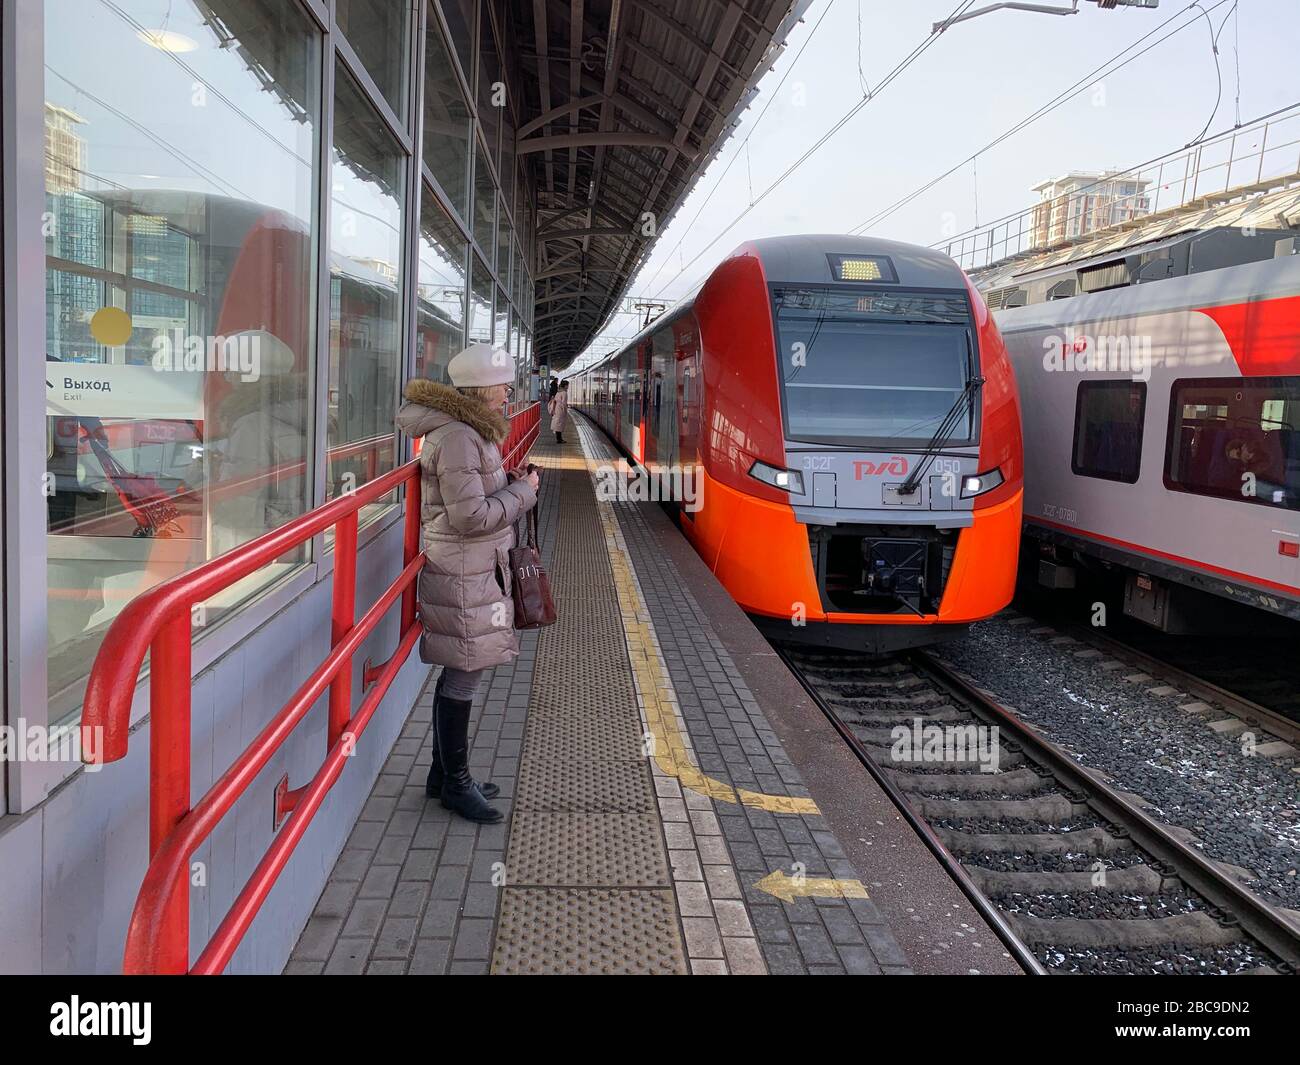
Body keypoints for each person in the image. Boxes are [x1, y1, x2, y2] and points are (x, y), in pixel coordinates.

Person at [395, 343, 539, 823]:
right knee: (465, 669)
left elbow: (475, 495)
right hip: (462, 567)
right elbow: (471, 516)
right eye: (502, 385)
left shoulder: (468, 433)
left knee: (463, 666)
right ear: (480, 390)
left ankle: (445, 776)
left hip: (473, 566)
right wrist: (525, 492)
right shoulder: (458, 437)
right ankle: (454, 784)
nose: (508, 393)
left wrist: (509, 480)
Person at [548, 379, 570, 445]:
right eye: (567, 385)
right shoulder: (564, 393)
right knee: (560, 424)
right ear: (565, 386)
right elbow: (564, 403)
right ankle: (559, 439)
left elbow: (555, 400)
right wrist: (565, 411)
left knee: (557, 423)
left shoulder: (558, 392)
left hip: (556, 408)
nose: (568, 386)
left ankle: (559, 438)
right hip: (560, 409)